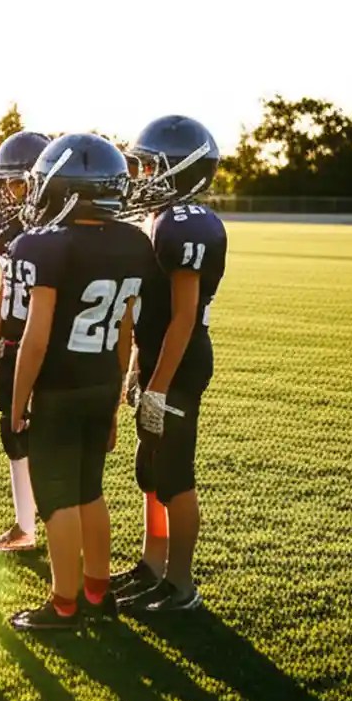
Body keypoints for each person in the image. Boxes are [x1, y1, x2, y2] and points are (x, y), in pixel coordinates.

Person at [6, 134, 154, 630]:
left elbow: (36, 336)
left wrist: (17, 400)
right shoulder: (135, 242)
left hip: (59, 387)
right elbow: (125, 329)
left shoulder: (45, 243)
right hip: (100, 382)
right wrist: (113, 401)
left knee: (57, 498)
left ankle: (64, 605)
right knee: (90, 490)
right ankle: (98, 592)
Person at [113, 116, 227, 613]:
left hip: (179, 365)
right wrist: (138, 367)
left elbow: (182, 318)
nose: (138, 176)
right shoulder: (161, 218)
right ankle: (152, 565)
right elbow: (150, 316)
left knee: (176, 474)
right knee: (152, 469)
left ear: (180, 170)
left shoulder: (186, 224)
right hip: (158, 359)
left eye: (146, 166)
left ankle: (180, 584)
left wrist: (158, 386)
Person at [0, 131, 52, 552]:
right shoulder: (5, 233)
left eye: (17, 184)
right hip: (14, 340)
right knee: (14, 431)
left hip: (51, 346)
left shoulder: (59, 235)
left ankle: (53, 525)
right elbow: (5, 292)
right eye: (2, 185)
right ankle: (25, 526)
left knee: (50, 439)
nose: (7, 195)